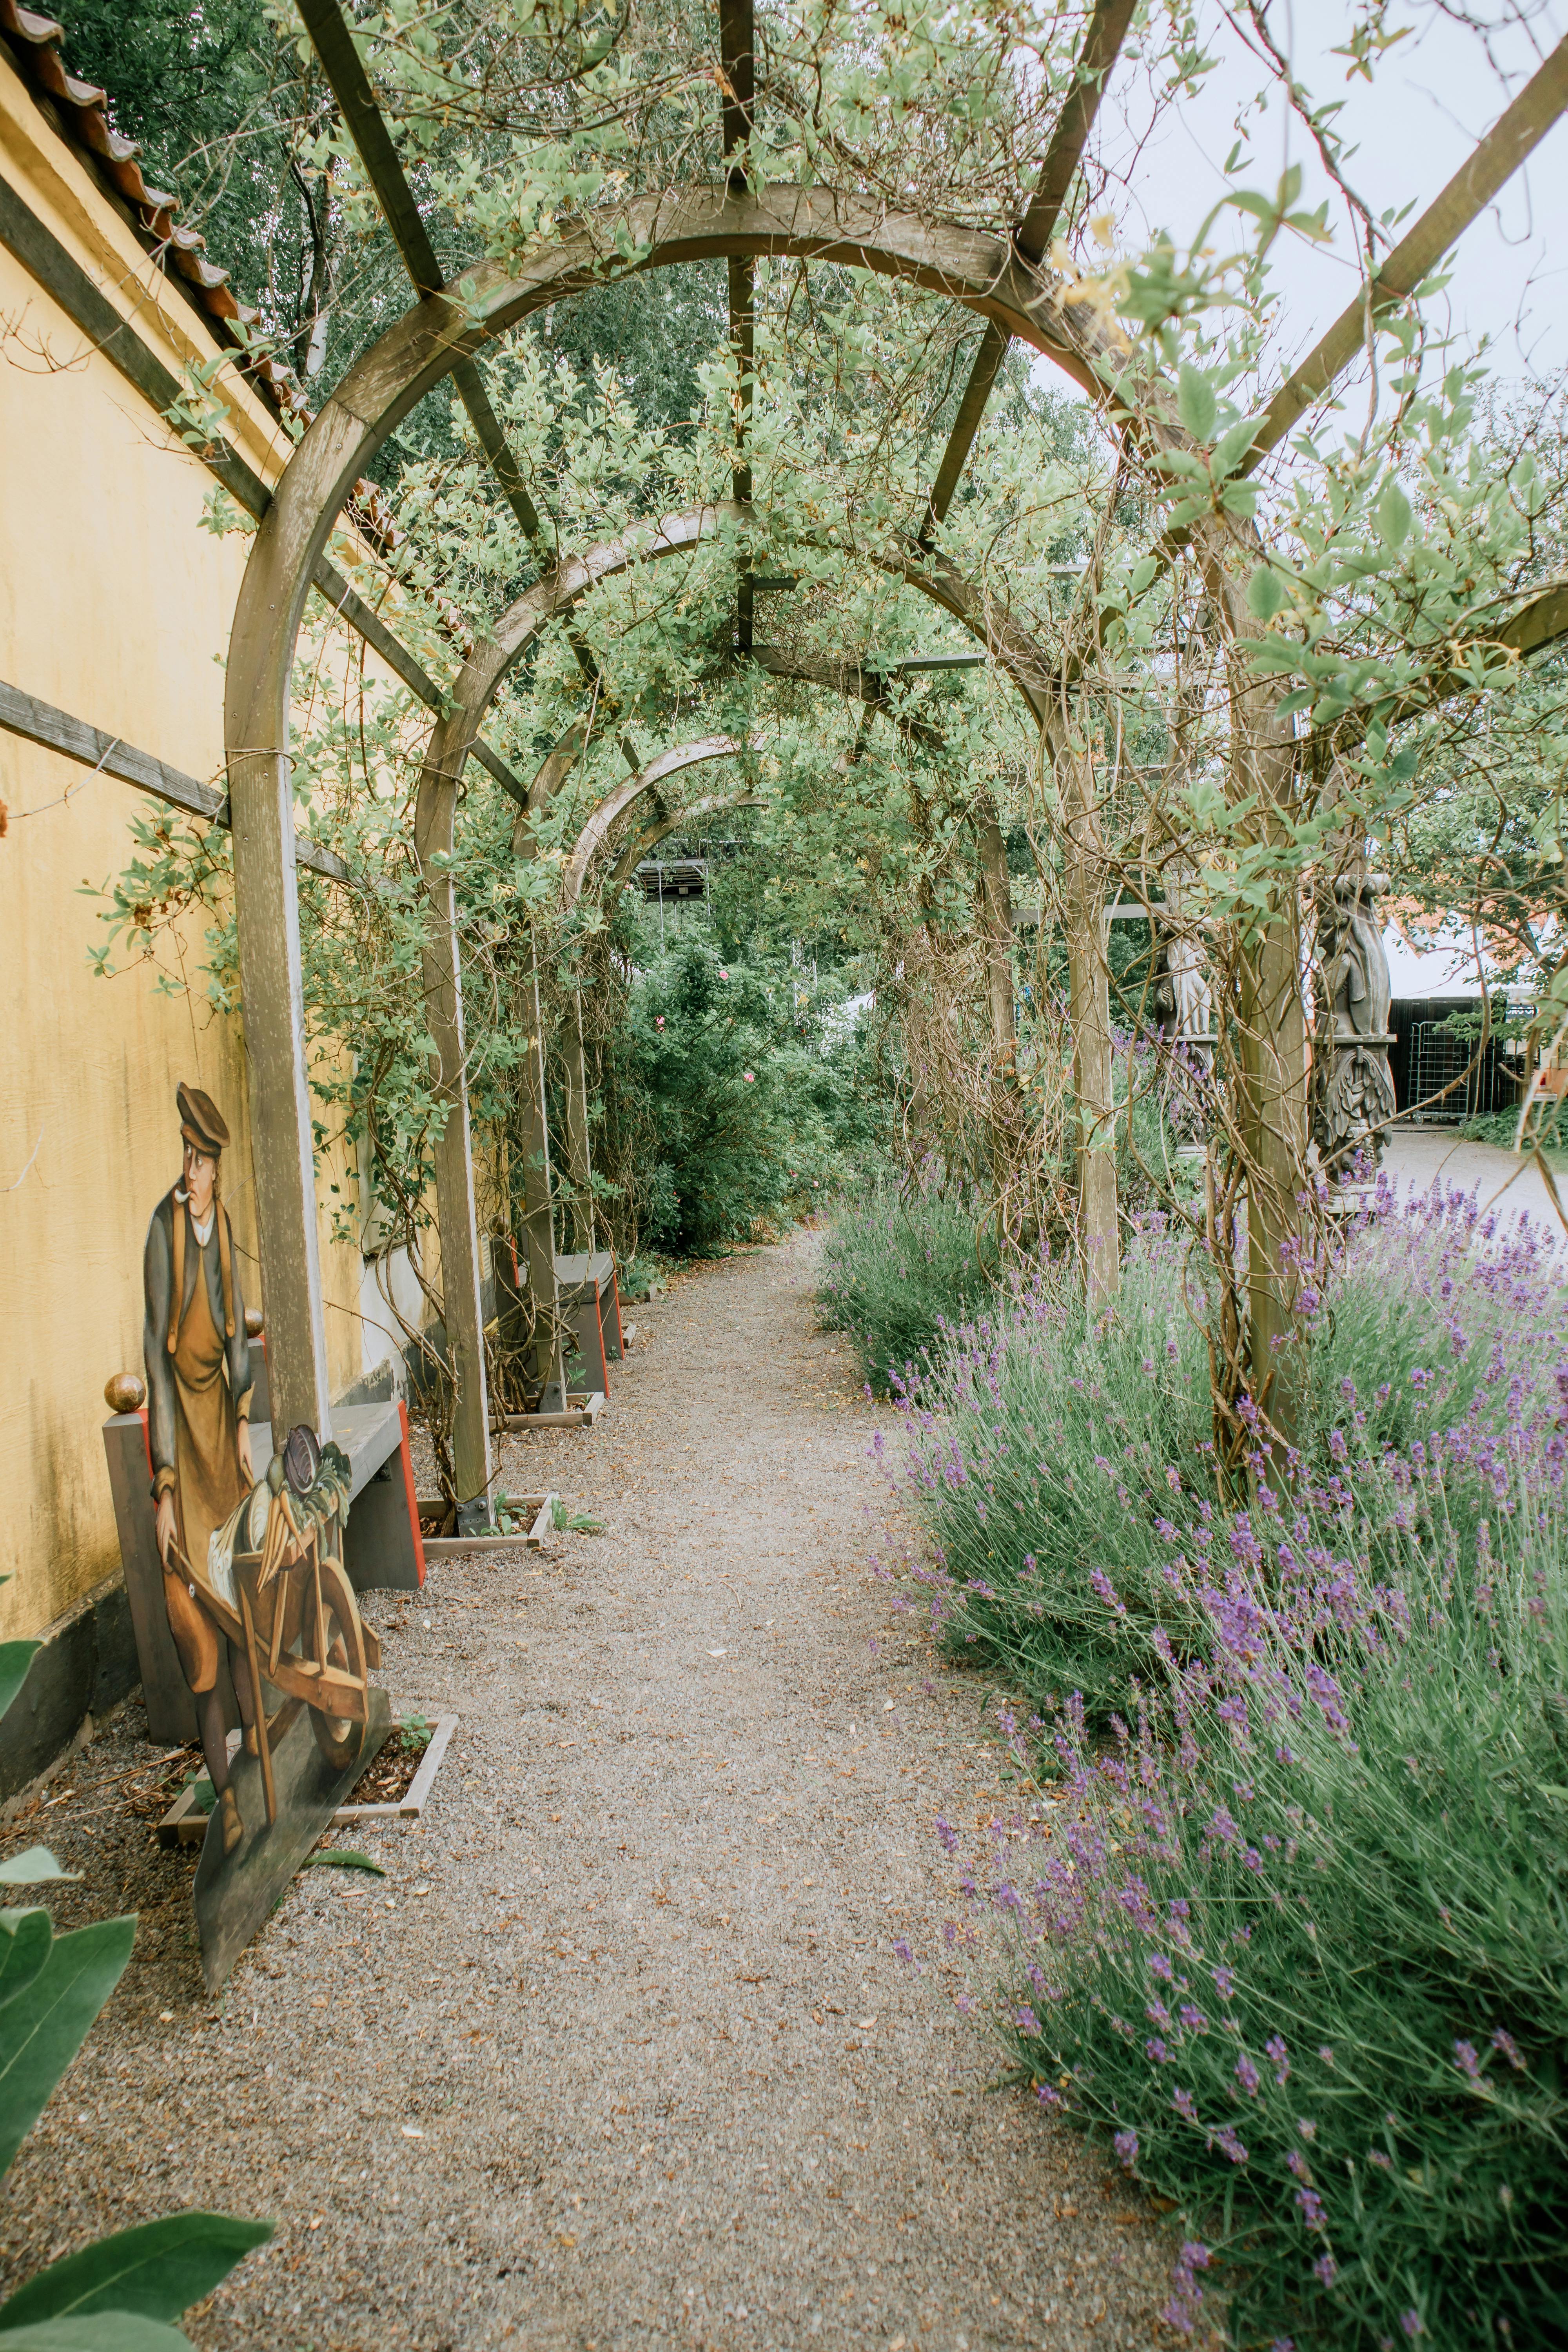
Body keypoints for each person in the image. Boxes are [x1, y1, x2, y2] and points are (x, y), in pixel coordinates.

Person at [143, 1083, 258, 1857]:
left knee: (246, 1599)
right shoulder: (163, 1227)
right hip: (184, 1434)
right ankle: (227, 1798)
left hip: (225, 1426)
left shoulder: (226, 1227)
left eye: (201, 1160)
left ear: (217, 1166)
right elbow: (154, 1344)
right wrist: (163, 1478)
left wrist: (246, 1419)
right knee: (195, 1616)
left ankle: (260, 1767)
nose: (190, 1170)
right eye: (185, 1156)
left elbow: (240, 1335)